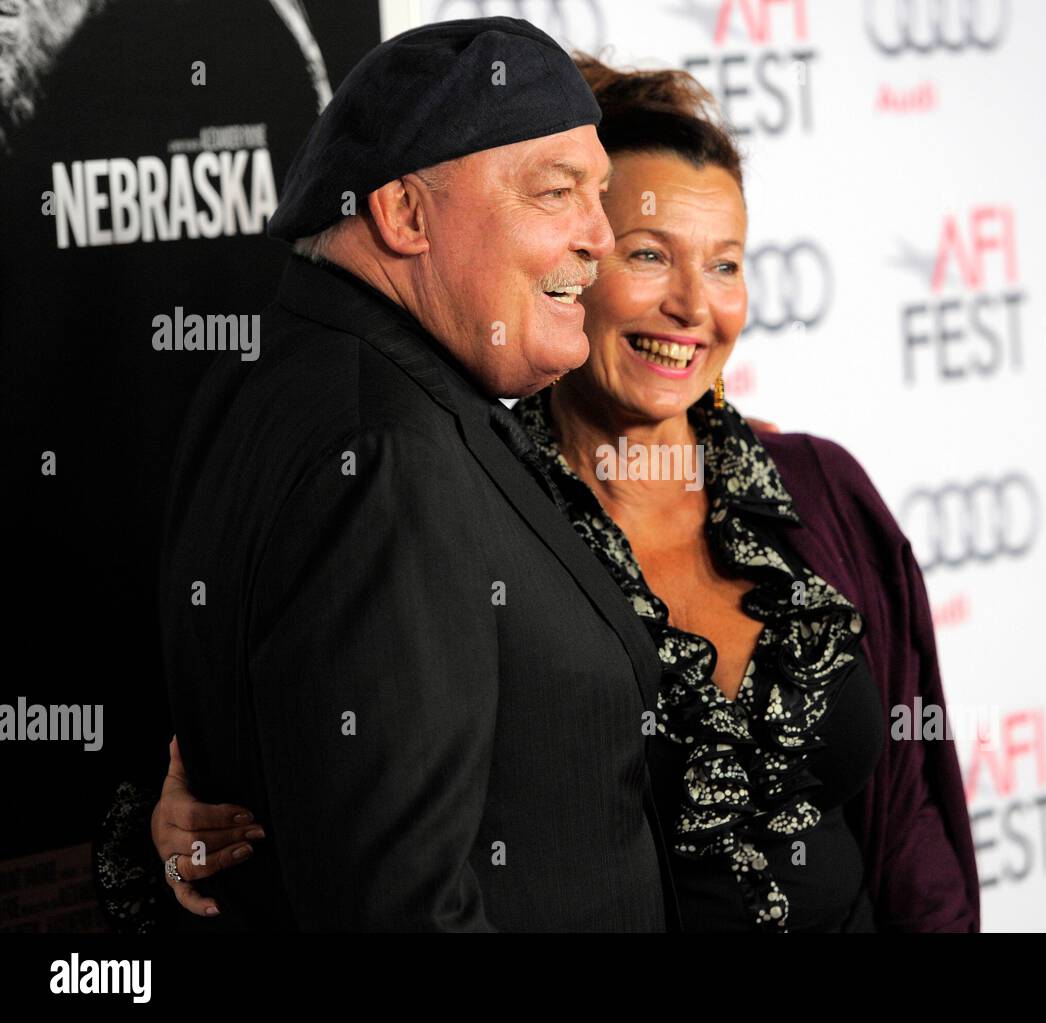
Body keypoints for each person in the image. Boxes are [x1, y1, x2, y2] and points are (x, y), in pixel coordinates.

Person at [103, 52, 981, 933]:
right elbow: (373, 802)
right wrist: (198, 825)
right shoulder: (479, 492)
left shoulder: (818, 493)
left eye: (724, 264)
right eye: (645, 252)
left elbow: (907, 816)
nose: (690, 304)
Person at [111, 18, 683, 932]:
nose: (601, 238)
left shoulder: (267, 374)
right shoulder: (386, 455)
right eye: (556, 192)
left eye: (600, 194)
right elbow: (400, 906)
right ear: (404, 214)